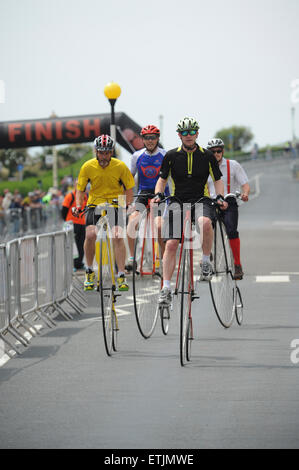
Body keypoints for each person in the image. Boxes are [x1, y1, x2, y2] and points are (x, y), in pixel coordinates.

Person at [153, 117, 227, 307]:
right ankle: (166, 288)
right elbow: (162, 179)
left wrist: (220, 197)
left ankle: (205, 261)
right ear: (179, 135)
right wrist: (159, 194)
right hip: (177, 201)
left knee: (205, 222)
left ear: (197, 133)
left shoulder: (207, 156)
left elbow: (217, 179)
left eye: (192, 132)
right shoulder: (170, 156)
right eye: (184, 133)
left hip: (201, 199)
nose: (188, 136)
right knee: (170, 245)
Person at [72, 134, 135, 291]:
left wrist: (127, 204)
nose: (104, 156)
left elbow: (129, 189)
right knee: (90, 234)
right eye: (101, 152)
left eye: (107, 153)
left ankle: (121, 274)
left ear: (111, 151)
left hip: (116, 202)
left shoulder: (120, 166)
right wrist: (79, 206)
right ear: (96, 151)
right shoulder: (87, 166)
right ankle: (89, 270)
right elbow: (79, 190)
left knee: (117, 236)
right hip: (95, 202)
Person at [126, 125, 169, 270]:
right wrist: (123, 200)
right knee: (132, 221)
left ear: (157, 139)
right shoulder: (136, 156)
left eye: (153, 137)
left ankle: (164, 259)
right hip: (143, 193)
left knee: (159, 226)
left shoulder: (165, 155)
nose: (150, 141)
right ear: (142, 139)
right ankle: (132, 258)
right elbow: (128, 180)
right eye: (146, 138)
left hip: (161, 194)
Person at [206, 138, 250, 280]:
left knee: (231, 230)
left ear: (222, 151)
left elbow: (245, 184)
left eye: (219, 151)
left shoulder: (233, 165)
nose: (216, 154)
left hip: (229, 199)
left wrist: (245, 194)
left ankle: (237, 264)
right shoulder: (205, 167)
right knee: (204, 223)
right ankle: (207, 253)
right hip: (211, 200)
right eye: (213, 152)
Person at [61, 179, 88, 270]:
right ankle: (71, 264)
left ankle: (79, 263)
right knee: (72, 244)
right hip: (71, 224)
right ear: (74, 186)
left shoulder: (85, 196)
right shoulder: (70, 196)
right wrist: (66, 222)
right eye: (78, 185)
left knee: (81, 244)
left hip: (82, 223)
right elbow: (64, 210)